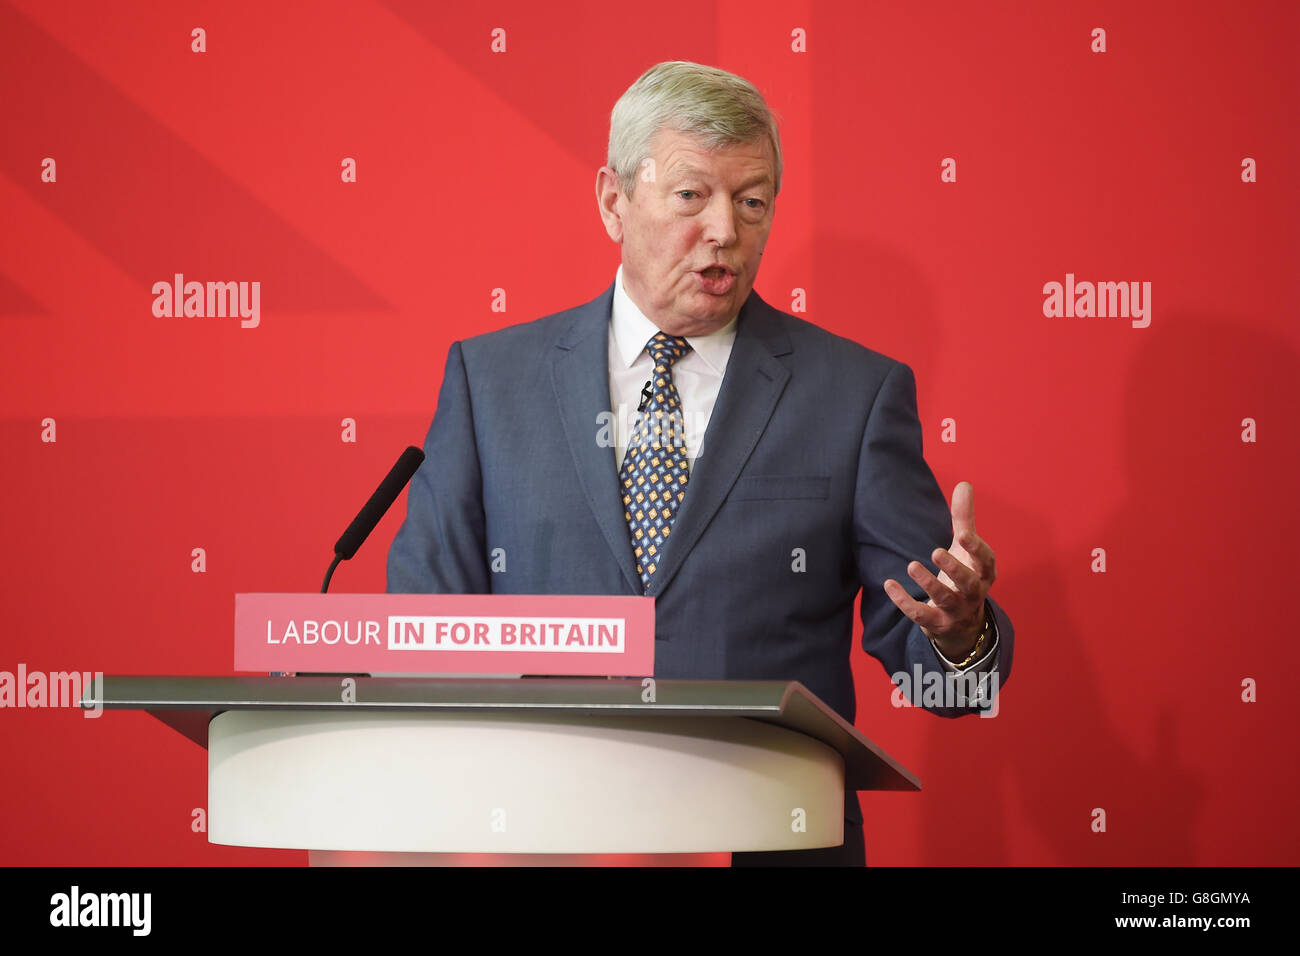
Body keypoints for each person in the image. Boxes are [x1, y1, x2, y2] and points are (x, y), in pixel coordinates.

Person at [387, 60, 1014, 865]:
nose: (725, 229)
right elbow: (421, 637)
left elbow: (948, 677)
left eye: (752, 202)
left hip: (769, 839)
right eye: (692, 196)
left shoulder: (856, 395)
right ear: (614, 200)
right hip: (540, 838)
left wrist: (962, 638)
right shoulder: (490, 383)